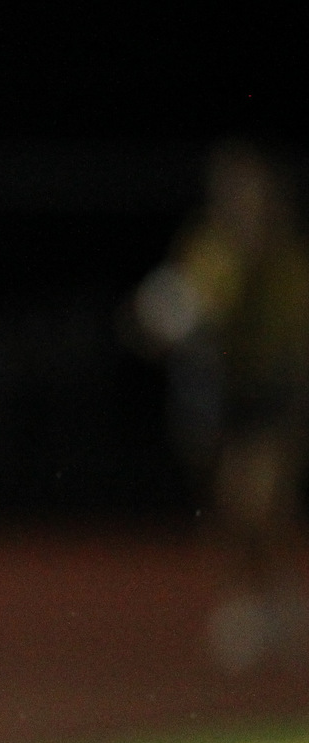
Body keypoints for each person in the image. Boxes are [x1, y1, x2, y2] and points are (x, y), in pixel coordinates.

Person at [133, 140, 309, 672]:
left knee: (261, 500)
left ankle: (275, 598)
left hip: (275, 394)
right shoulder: (209, 252)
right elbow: (152, 323)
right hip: (218, 399)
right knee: (231, 511)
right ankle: (252, 599)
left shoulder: (289, 262)